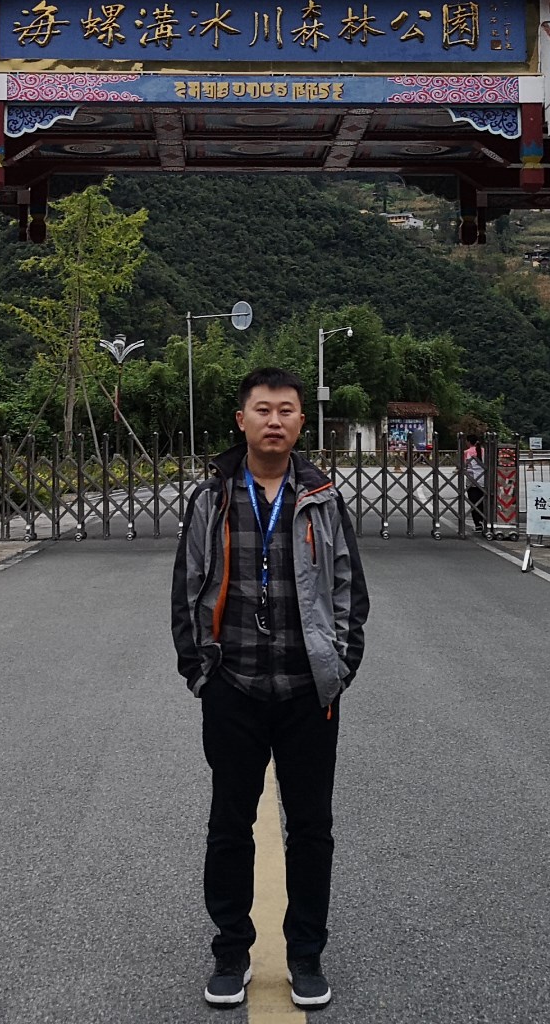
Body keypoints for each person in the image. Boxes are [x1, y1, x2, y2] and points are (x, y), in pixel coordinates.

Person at [171, 367, 369, 1012]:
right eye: (263, 409)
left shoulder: (323, 498)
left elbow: (349, 588)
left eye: (286, 409)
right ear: (242, 420)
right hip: (233, 687)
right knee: (230, 824)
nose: (274, 420)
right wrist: (201, 673)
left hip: (309, 691)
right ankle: (231, 953)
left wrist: (339, 667)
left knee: (311, 828)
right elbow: (187, 588)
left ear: (301, 422)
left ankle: (305, 955)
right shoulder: (212, 499)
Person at [461, 437, 489, 537]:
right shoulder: (485, 451)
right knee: (484, 502)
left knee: (474, 503)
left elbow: (463, 466)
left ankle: (478, 524)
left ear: (468, 442)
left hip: (472, 482)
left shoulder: (466, 452)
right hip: (484, 481)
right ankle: (486, 522)